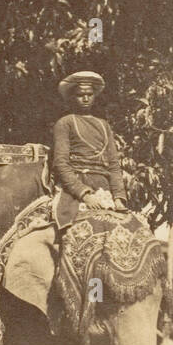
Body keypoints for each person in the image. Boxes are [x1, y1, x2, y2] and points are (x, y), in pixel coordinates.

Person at [50, 71, 127, 228]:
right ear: (72, 97)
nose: (85, 98)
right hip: (75, 188)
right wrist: (84, 195)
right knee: (78, 230)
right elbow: (61, 163)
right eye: (80, 95)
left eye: (90, 94)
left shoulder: (104, 125)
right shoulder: (65, 123)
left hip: (104, 188)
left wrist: (119, 197)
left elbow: (113, 165)